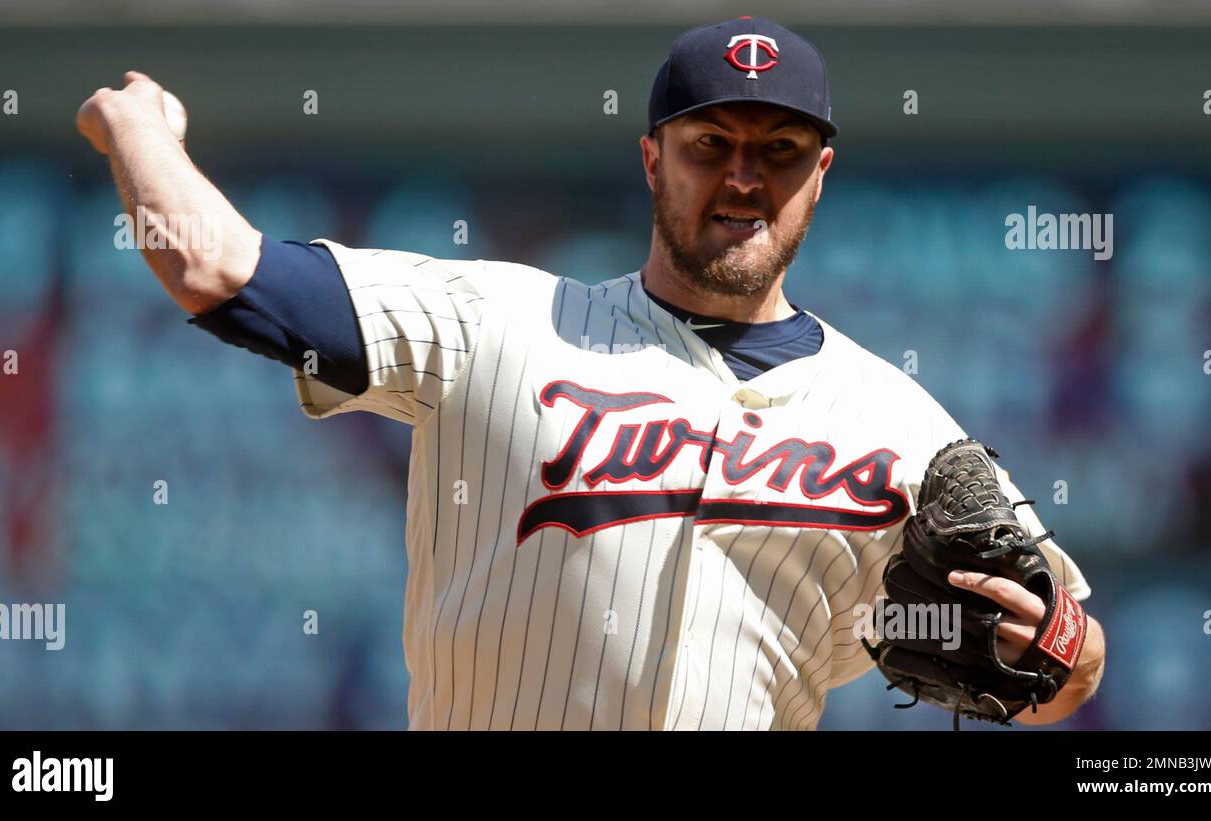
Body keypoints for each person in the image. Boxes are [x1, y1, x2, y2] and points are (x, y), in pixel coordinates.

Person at [76, 16, 1105, 730]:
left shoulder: (899, 422)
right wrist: (137, 131)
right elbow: (218, 272)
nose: (744, 176)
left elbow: (1068, 663)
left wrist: (1056, 647)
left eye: (781, 148)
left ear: (819, 174)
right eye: (711, 142)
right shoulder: (495, 323)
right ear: (653, 159)